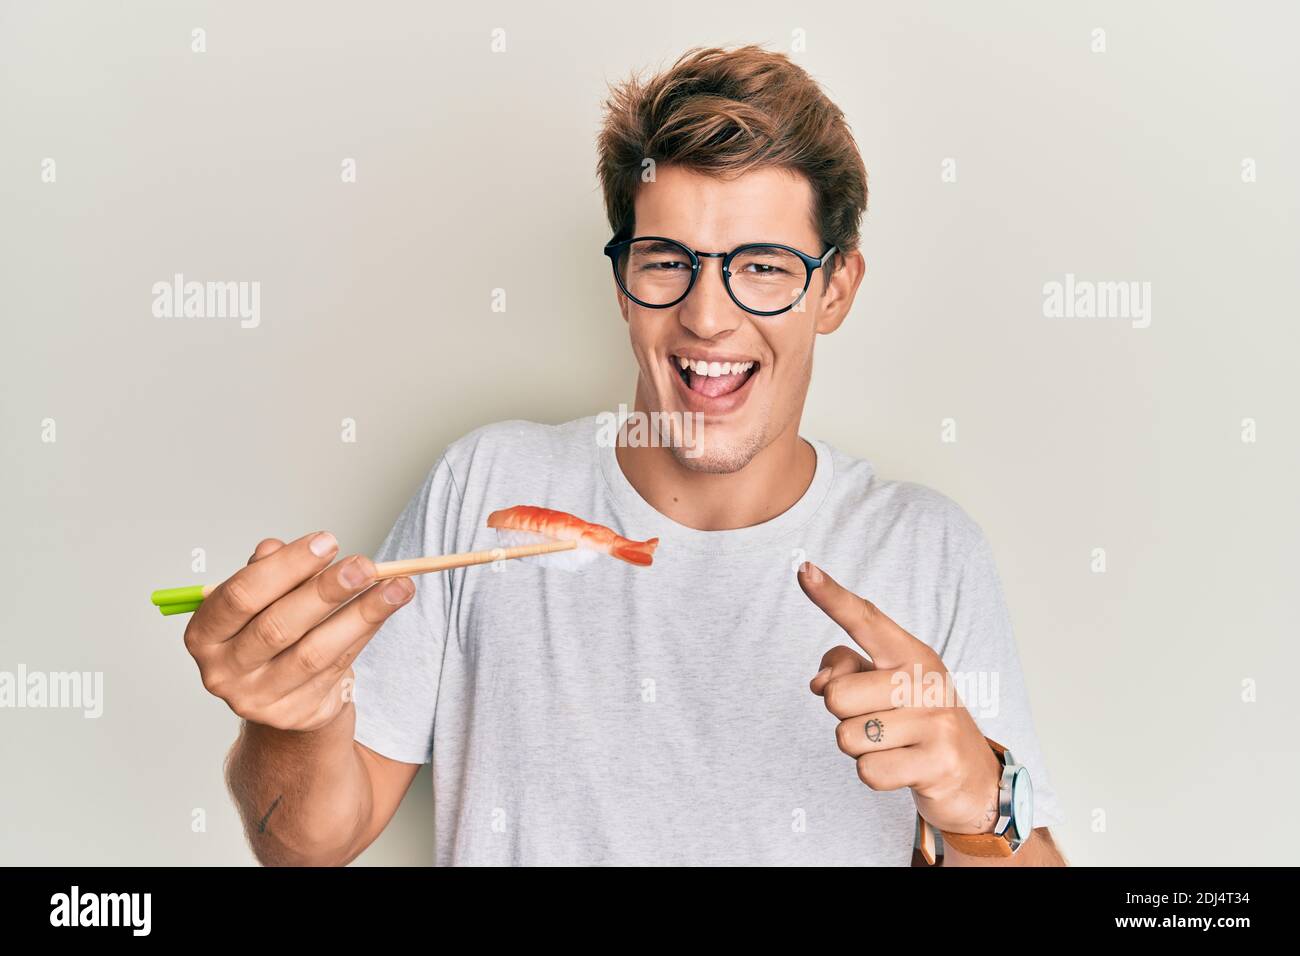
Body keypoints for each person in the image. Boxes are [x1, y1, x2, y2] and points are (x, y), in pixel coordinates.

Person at [191, 44, 1066, 866]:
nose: (708, 317)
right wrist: (289, 722)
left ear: (835, 289)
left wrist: (982, 802)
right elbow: (306, 845)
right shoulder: (485, 486)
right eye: (666, 261)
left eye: (762, 266)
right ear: (623, 282)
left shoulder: (925, 549)